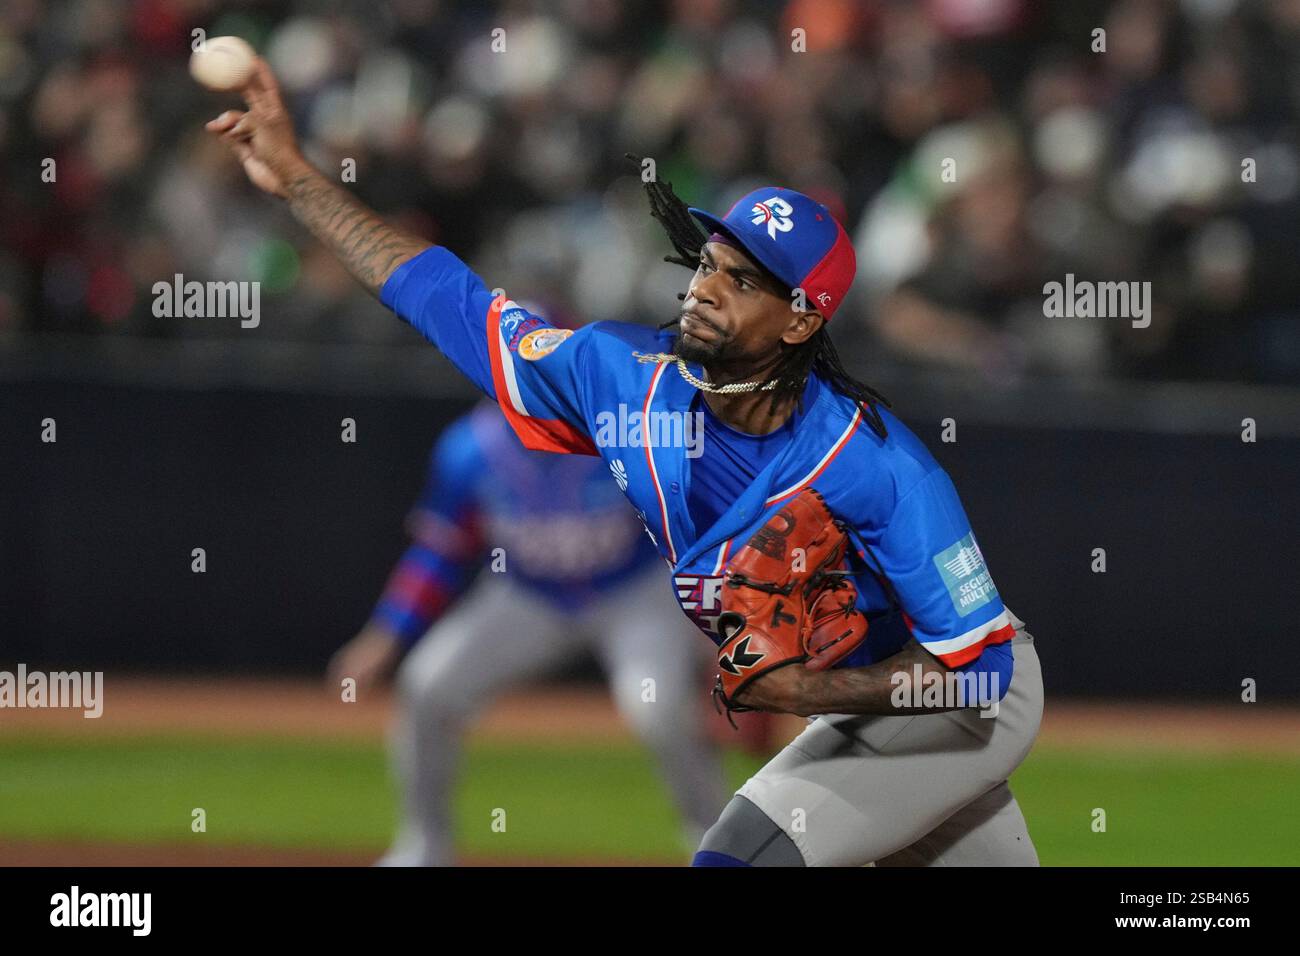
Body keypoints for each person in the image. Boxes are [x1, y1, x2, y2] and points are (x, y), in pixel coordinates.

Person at [206, 59, 1044, 867]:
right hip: (872, 710)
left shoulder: (875, 465)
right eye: (710, 263)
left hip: (962, 701)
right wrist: (293, 176)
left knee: (734, 856)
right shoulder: (618, 379)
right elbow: (438, 293)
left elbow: (983, 671)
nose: (708, 288)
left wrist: (808, 694)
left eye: (746, 282)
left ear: (798, 323)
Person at [328, 402, 728, 865]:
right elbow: (440, 552)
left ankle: (718, 844)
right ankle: (424, 846)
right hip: (526, 595)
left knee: (657, 707)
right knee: (427, 686)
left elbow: (695, 525)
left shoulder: (624, 433)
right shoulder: (471, 447)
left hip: (635, 594)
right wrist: (385, 634)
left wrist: (718, 624)